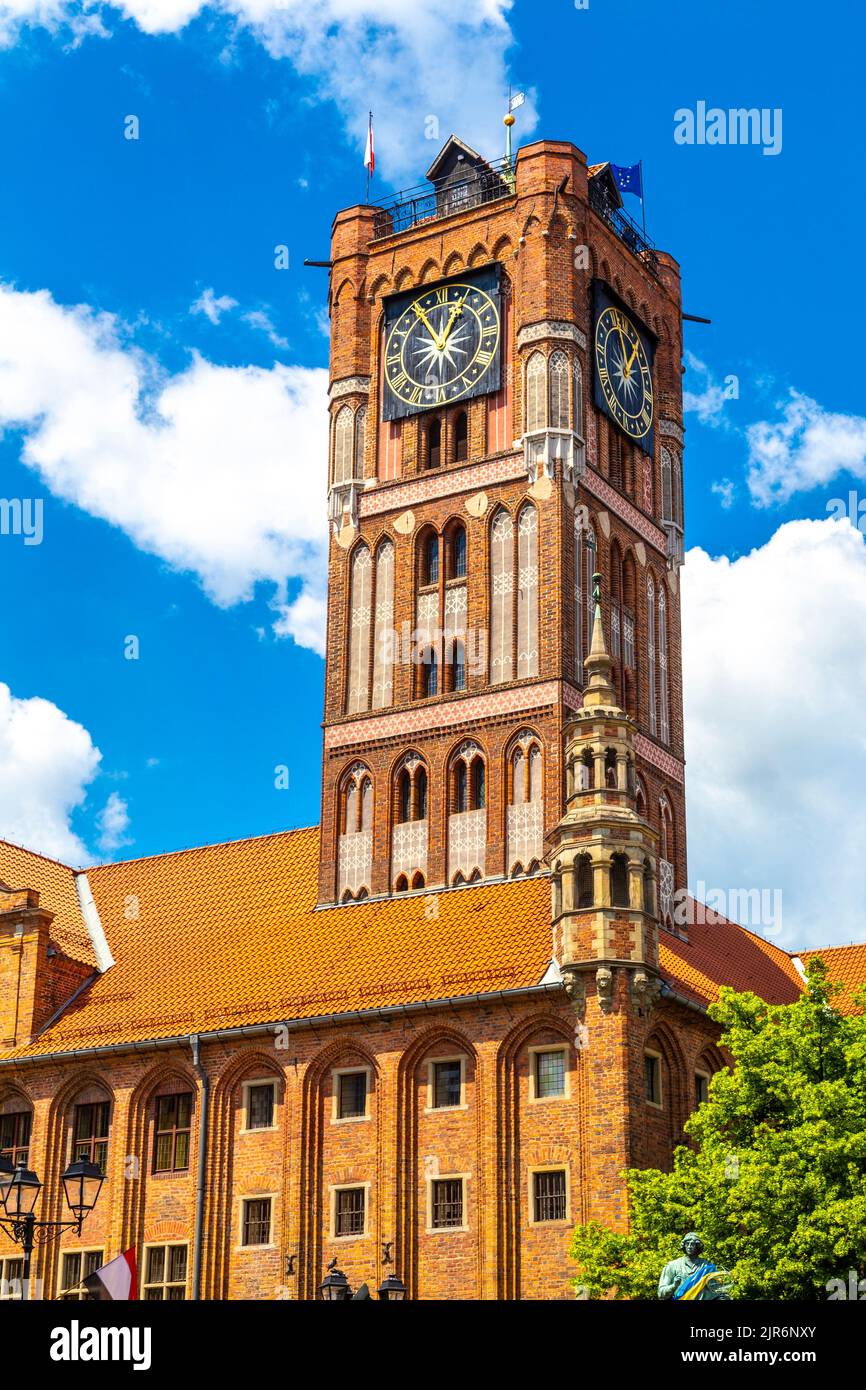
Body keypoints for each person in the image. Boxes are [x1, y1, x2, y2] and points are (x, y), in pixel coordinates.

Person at [658, 1232, 729, 1300]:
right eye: (687, 1244)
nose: (689, 1247)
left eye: (692, 1244)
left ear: (697, 1246)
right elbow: (661, 1293)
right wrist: (674, 1286)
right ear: (684, 1245)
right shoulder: (673, 1266)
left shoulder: (708, 1267)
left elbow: (718, 1291)